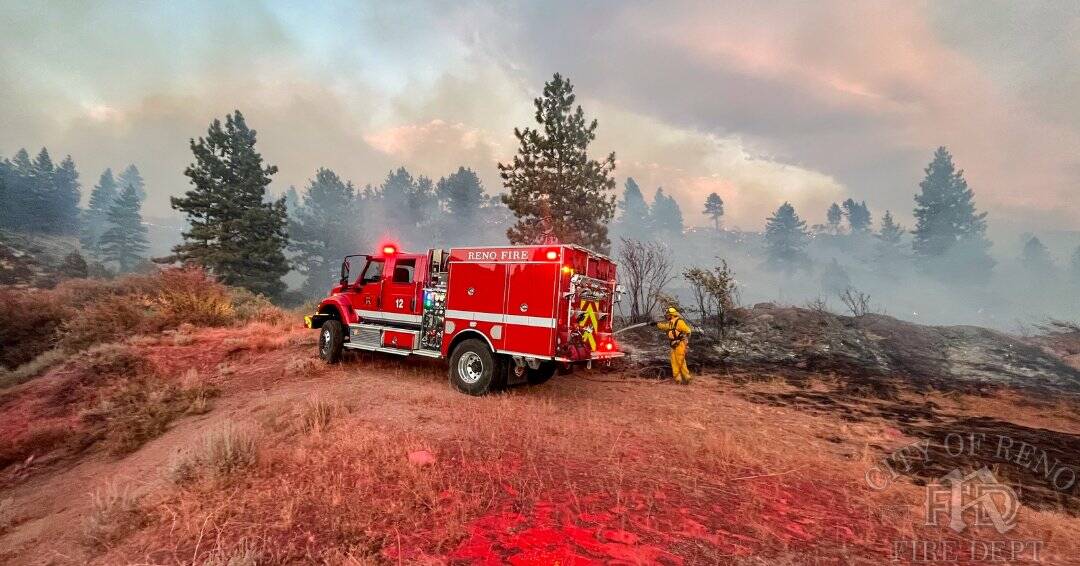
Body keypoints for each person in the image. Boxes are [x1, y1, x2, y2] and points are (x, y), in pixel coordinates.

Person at [656, 306, 692, 384]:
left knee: (680, 361)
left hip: (680, 344)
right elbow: (664, 326)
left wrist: (682, 339)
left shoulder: (679, 322)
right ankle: (678, 379)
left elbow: (688, 331)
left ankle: (687, 378)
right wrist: (656, 324)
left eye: (668, 315)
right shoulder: (671, 322)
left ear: (672, 315)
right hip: (673, 345)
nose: (667, 316)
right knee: (674, 362)